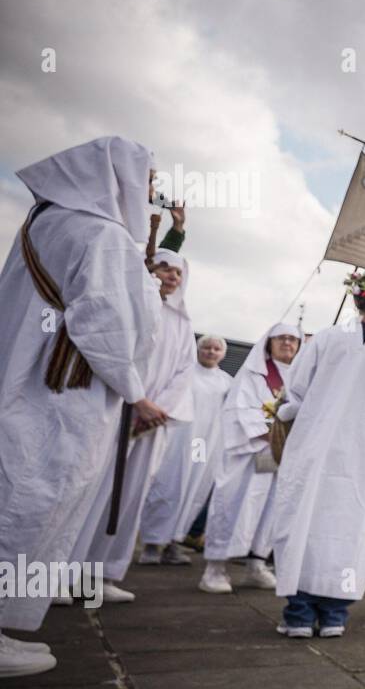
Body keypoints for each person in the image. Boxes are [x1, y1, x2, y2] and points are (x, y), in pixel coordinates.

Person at [0, 138, 162, 677]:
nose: (152, 192)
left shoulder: (42, 221)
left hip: (22, 376)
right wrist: (136, 390)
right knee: (32, 502)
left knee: (14, 492)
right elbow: (104, 324)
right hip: (65, 389)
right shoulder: (103, 236)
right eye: (149, 181)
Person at [268, 271, 365, 637]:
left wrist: (293, 412)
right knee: (353, 526)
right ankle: (335, 614)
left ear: (354, 298)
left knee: (305, 519)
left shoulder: (326, 338)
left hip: (315, 445)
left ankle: (299, 613)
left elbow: (296, 390)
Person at [68, 248, 195, 604]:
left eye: (178, 272)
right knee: (91, 490)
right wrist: (136, 398)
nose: (172, 276)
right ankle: (62, 572)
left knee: (129, 497)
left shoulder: (184, 323)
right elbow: (115, 353)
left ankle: (102, 573)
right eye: (164, 268)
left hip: (151, 424)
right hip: (116, 411)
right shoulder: (129, 305)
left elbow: (186, 372)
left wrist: (158, 410)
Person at [200, 322, 301, 593]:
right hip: (251, 451)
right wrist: (267, 432)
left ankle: (257, 563)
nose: (287, 344)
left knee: (272, 509)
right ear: (269, 342)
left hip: (282, 455)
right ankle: (215, 567)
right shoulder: (253, 374)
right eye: (281, 338)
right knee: (235, 505)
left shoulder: (302, 376)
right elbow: (239, 407)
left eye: (293, 339)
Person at [138, 335, 232, 566]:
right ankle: (151, 544)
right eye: (206, 348)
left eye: (216, 349)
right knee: (169, 486)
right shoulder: (185, 374)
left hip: (204, 445)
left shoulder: (227, 382)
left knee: (193, 490)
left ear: (223, 353)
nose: (211, 352)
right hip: (179, 440)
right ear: (198, 350)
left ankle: (174, 542)